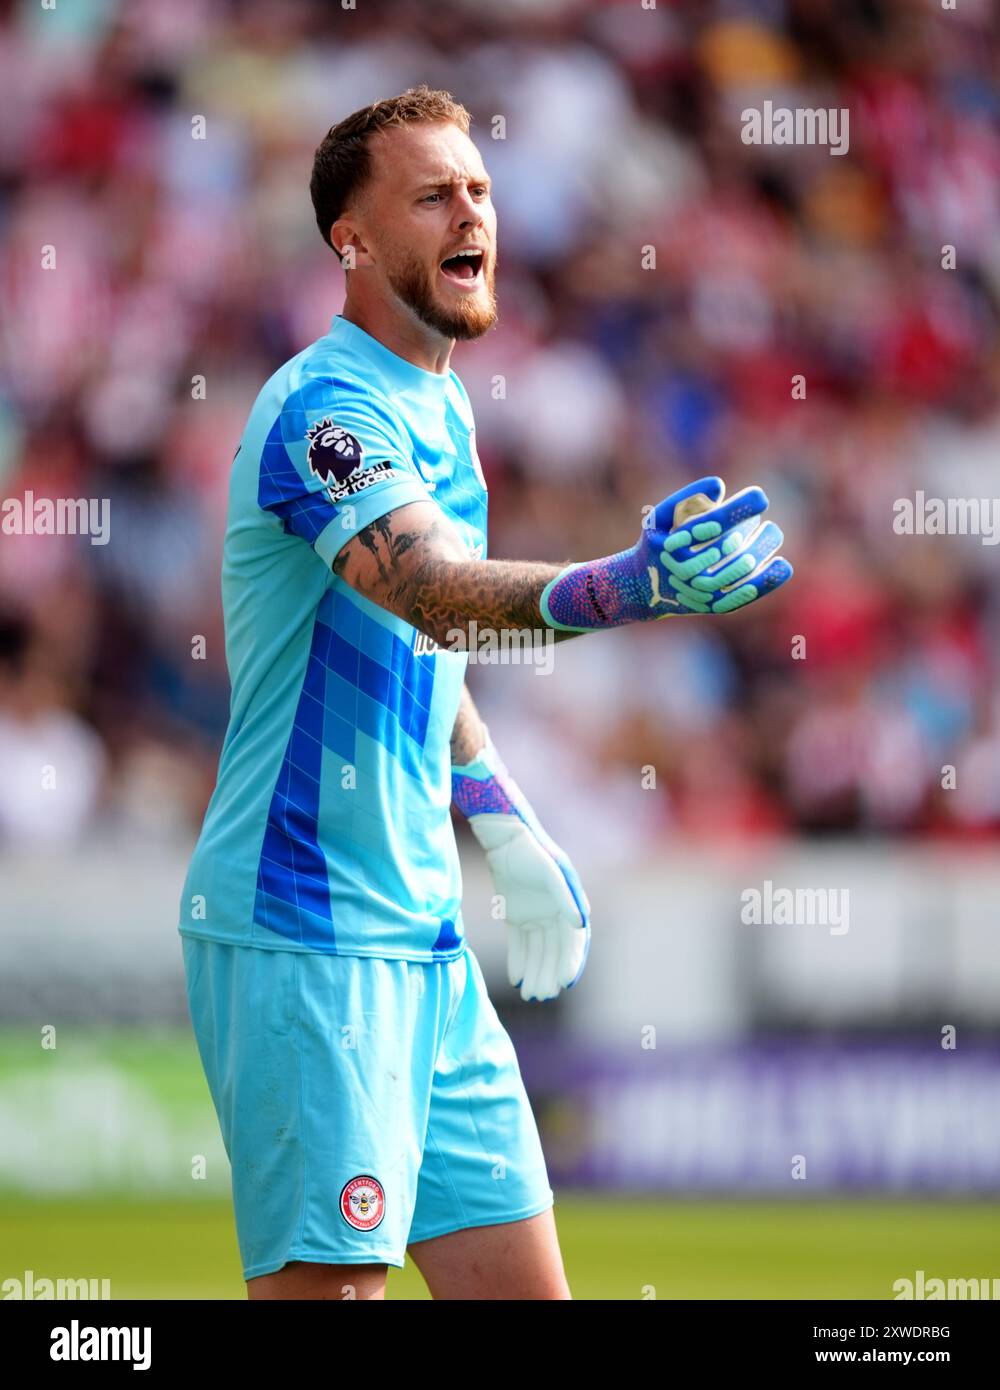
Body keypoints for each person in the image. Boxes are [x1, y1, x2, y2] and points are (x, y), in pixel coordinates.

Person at [178, 85, 791, 1301]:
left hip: (428, 937)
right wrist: (620, 589)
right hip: (307, 924)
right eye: (432, 193)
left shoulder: (443, 405)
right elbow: (426, 589)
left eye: (480, 188)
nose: (472, 209)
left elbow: (422, 656)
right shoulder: (324, 409)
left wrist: (500, 817)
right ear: (350, 240)